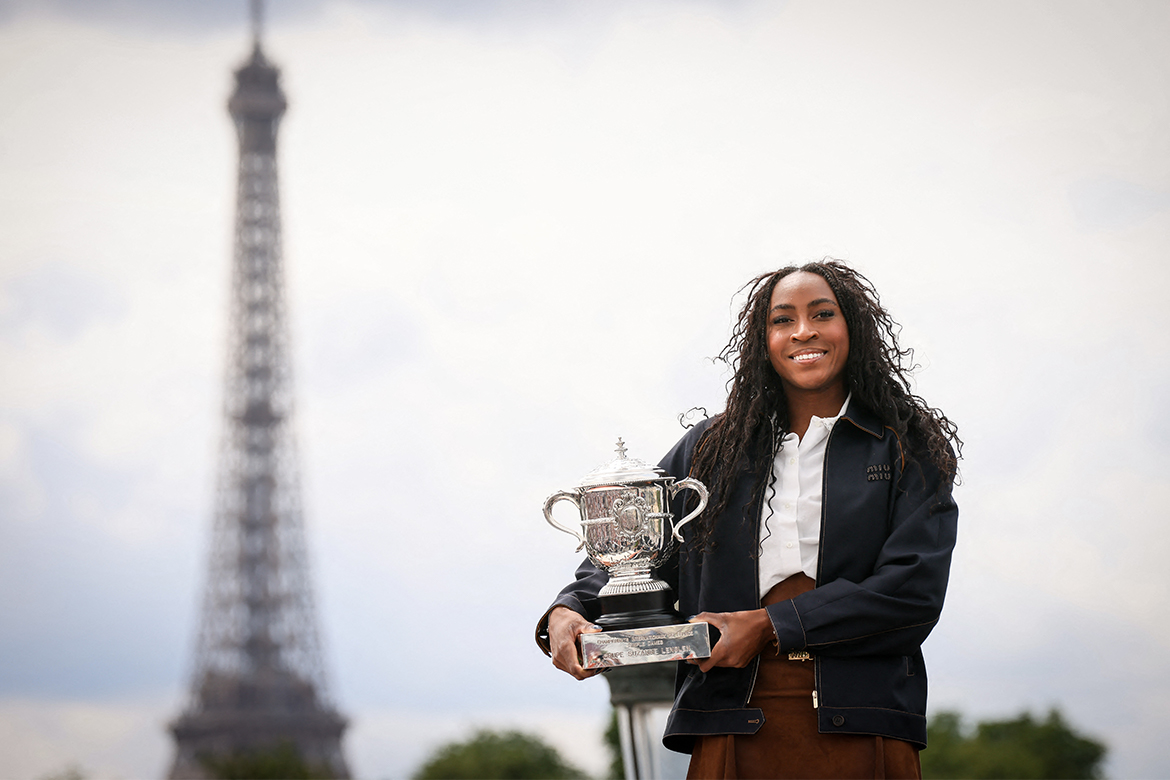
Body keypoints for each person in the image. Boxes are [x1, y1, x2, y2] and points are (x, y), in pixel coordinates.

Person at [535, 260, 960, 779]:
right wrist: (568, 610)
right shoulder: (711, 450)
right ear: (763, 341)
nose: (803, 331)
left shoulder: (906, 446)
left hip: (865, 721)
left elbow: (911, 593)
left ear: (853, 328)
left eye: (822, 314)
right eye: (783, 320)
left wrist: (768, 626)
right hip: (728, 718)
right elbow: (632, 542)